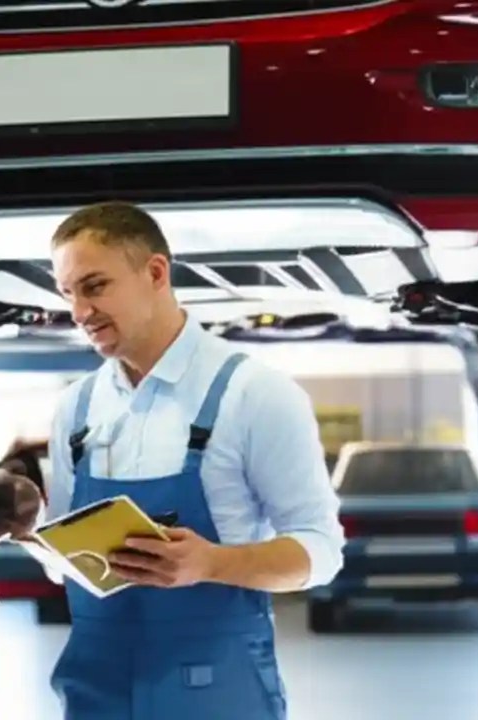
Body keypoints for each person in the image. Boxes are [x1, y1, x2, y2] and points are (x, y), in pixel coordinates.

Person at [44, 201, 346, 719]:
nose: (78, 312)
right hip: (96, 692)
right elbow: (67, 563)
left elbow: (320, 552)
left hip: (218, 697)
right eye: (68, 293)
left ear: (156, 273)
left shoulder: (255, 394)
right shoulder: (76, 408)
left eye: (94, 287)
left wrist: (212, 562)